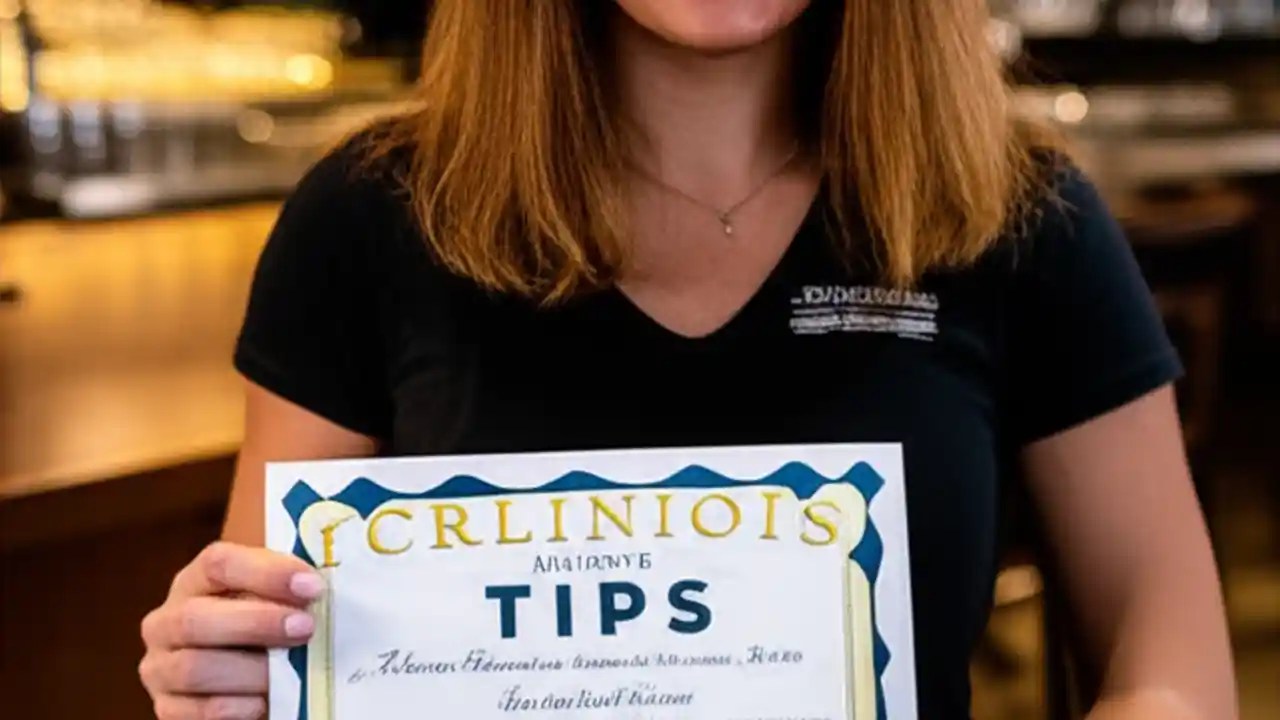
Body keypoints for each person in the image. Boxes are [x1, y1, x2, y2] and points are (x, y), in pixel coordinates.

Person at [137, 1, 1236, 718]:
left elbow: (1171, 662)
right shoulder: (365, 217)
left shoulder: (1016, 215)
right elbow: (272, 654)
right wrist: (221, 675)